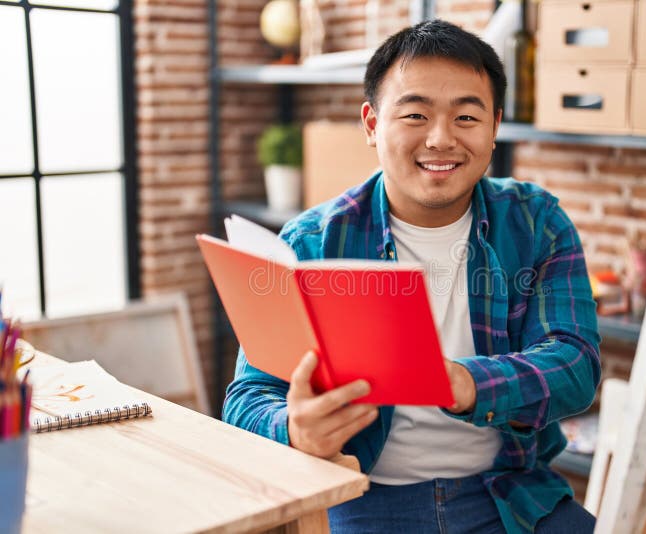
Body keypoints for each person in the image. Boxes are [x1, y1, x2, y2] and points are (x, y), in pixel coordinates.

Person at [223, 19, 600, 533]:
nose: (441, 139)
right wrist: (293, 427)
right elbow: (246, 398)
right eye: (416, 115)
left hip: (509, 494)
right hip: (363, 497)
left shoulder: (537, 223)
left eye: (466, 117)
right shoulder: (311, 242)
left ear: (494, 126)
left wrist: (466, 382)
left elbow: (575, 364)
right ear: (372, 124)